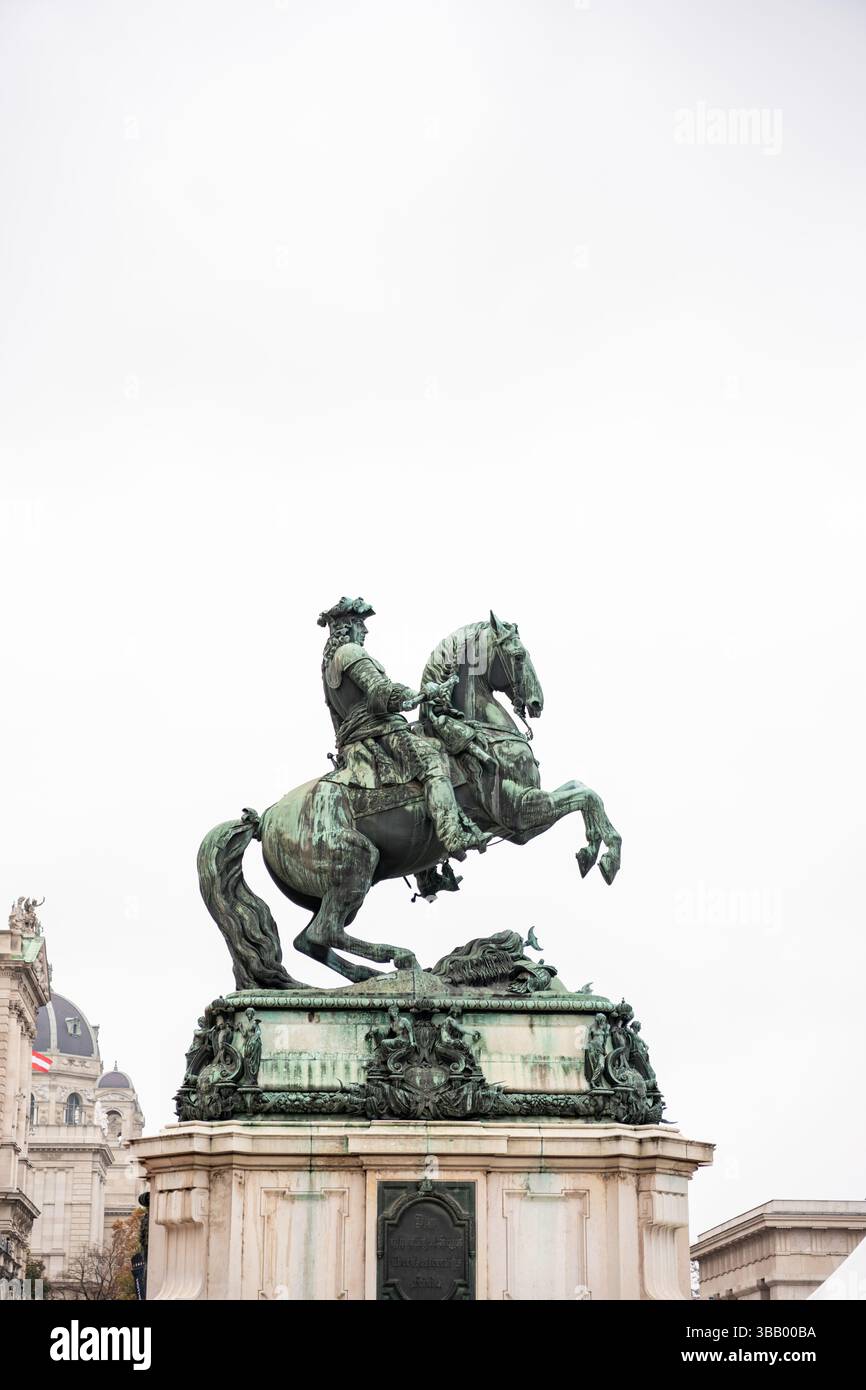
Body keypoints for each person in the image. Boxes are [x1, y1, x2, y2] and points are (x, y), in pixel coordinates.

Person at [318, 596, 488, 856]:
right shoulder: (350, 652)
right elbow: (378, 690)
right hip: (379, 733)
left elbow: (337, 717)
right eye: (360, 625)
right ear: (348, 626)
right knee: (433, 760)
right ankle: (452, 836)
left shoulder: (329, 665)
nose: (365, 630)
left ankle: (428, 870)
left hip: (356, 739)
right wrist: (415, 694)